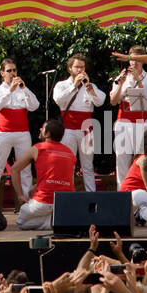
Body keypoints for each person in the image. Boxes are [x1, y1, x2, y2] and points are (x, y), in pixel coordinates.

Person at [51, 54, 105, 192]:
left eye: (82, 67)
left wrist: (89, 87)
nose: (80, 70)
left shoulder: (90, 85)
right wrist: (74, 86)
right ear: (70, 68)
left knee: (88, 166)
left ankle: (91, 196)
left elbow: (100, 101)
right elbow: (58, 100)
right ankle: (67, 194)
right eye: (77, 67)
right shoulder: (62, 85)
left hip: (86, 130)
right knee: (68, 164)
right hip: (68, 129)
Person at [10, 119, 77, 230]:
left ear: (47, 134)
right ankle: (54, 221)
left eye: (43, 128)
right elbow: (57, 175)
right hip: (66, 204)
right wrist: (36, 186)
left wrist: (20, 195)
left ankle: (48, 223)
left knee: (21, 220)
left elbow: (14, 169)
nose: (40, 129)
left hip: (42, 203)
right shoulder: (69, 152)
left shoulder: (38, 148)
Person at [108, 47, 147, 187]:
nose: (134, 63)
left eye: (137, 60)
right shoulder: (122, 77)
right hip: (123, 122)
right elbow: (113, 101)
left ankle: (141, 190)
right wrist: (120, 84)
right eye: (132, 59)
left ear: (143, 60)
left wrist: (138, 79)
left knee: (143, 158)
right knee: (122, 159)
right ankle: (122, 192)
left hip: (142, 121)